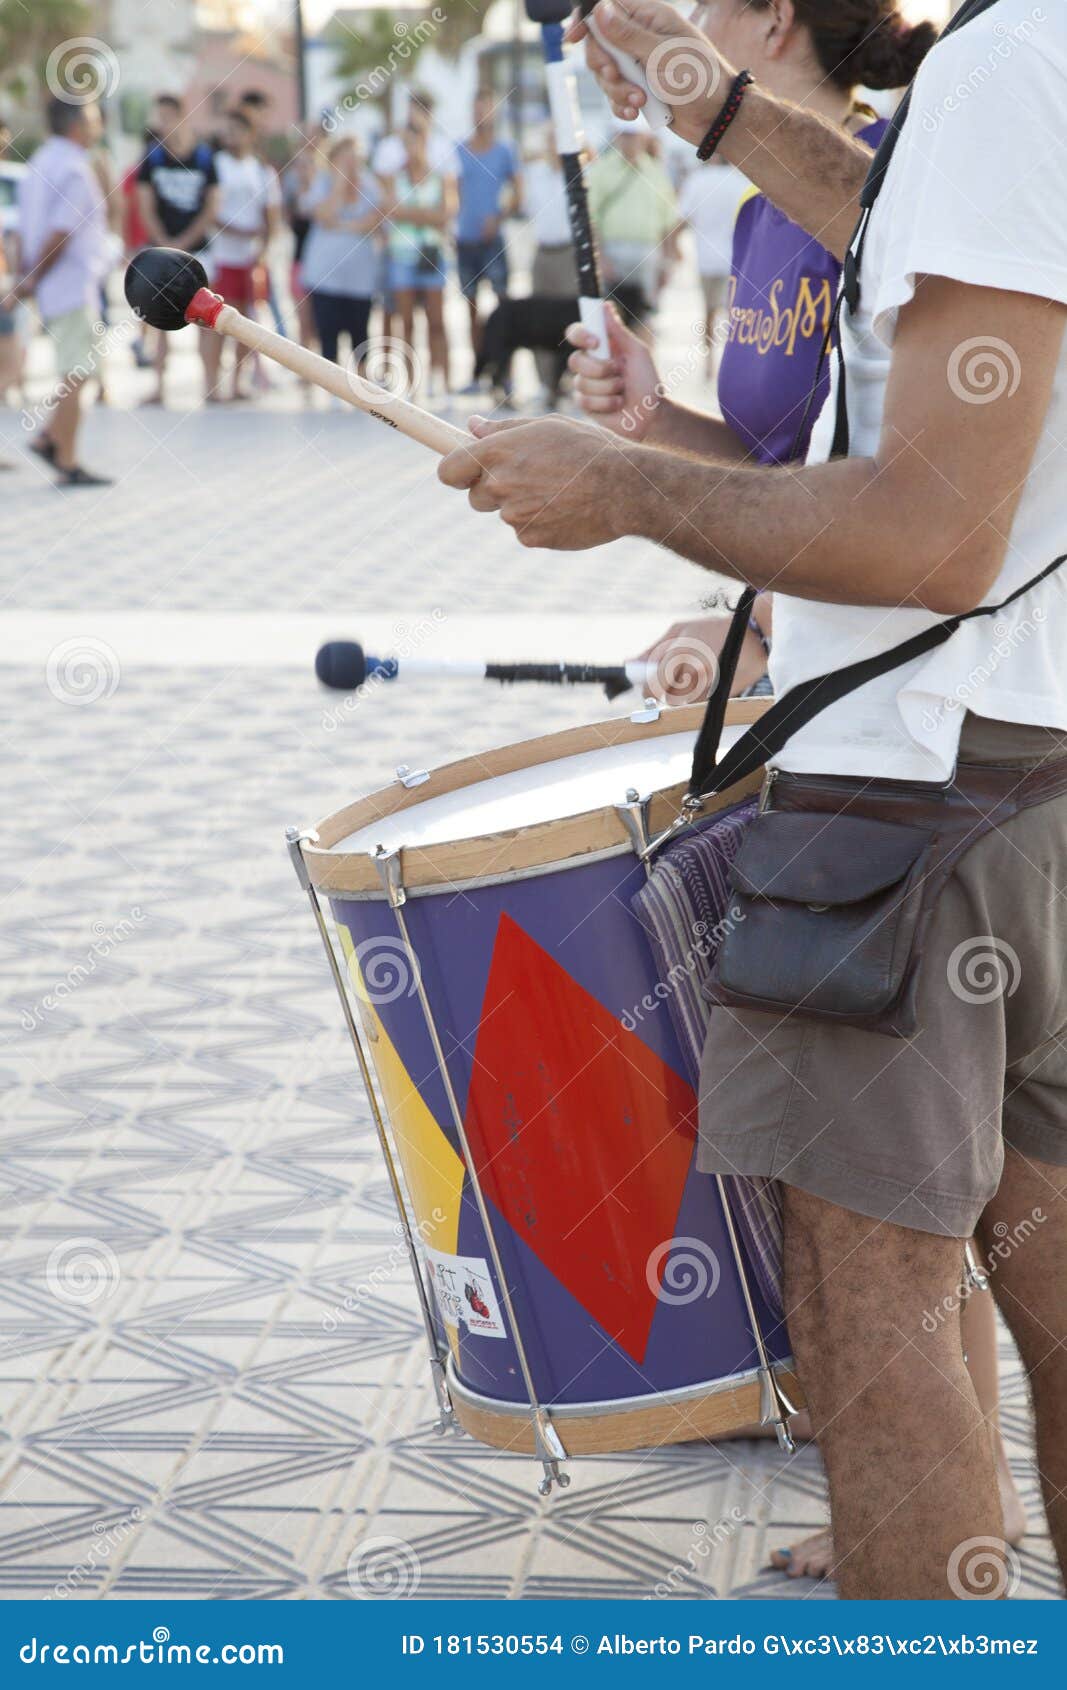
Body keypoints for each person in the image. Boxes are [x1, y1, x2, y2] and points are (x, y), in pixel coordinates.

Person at [437, 0, 1067, 1602]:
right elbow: (930, 218)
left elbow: (933, 535)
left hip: (923, 784)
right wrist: (714, 107)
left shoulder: (1011, 55)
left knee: (879, 1324)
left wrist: (624, 487)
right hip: (1032, 764)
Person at [7, 98, 111, 485]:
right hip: (70, 286)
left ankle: (51, 438)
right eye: (95, 117)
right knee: (78, 371)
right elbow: (60, 234)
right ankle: (63, 455)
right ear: (78, 124)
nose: (99, 124)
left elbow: (24, 231)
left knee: (78, 369)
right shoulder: (73, 169)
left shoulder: (39, 163)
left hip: (56, 286)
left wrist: (27, 277)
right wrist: (30, 279)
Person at [136, 94, 219, 404]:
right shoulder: (153, 157)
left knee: (207, 320)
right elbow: (145, 205)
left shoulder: (204, 157)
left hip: (198, 249)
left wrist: (185, 242)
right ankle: (159, 386)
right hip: (162, 249)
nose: (163, 124)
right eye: (159, 117)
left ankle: (211, 384)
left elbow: (212, 206)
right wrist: (165, 242)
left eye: (168, 117)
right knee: (160, 318)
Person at [205, 108, 281, 401]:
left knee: (245, 322)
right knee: (216, 321)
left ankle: (237, 381)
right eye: (228, 130)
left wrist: (262, 248)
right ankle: (212, 383)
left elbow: (271, 216)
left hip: (249, 258)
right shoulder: (216, 165)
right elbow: (210, 211)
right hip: (221, 255)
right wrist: (238, 232)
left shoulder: (261, 171)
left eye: (237, 130)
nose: (231, 136)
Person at [586, 121, 678, 335]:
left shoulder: (656, 172)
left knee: (644, 320)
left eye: (635, 135)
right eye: (626, 135)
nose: (630, 140)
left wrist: (667, 262)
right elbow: (591, 218)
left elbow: (668, 222)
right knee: (609, 319)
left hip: (647, 254)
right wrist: (600, 258)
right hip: (613, 252)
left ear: (644, 138)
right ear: (618, 136)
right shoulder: (602, 170)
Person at [300, 137, 384, 372]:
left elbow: (374, 222)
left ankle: (363, 386)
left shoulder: (371, 186)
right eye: (346, 158)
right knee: (328, 333)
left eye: (355, 157)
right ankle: (333, 391)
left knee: (361, 335)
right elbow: (324, 215)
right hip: (325, 277)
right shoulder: (322, 183)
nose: (352, 163)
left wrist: (342, 226)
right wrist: (339, 184)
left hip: (360, 279)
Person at [455, 92, 522, 381]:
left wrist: (499, 217)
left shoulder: (506, 150)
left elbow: (519, 193)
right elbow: (451, 190)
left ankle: (505, 374)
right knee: (471, 309)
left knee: (504, 307)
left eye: (486, 111)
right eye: (477, 111)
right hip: (464, 239)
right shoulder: (459, 150)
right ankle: (478, 372)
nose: (481, 117)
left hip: (493, 240)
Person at [385, 123, 455, 397]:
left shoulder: (440, 177)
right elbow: (392, 211)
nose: (411, 149)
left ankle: (444, 382)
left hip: (432, 255)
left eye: (416, 142)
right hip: (402, 255)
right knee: (407, 322)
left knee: (436, 321)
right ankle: (413, 385)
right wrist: (427, 215)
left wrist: (410, 213)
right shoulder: (395, 177)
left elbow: (446, 213)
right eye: (407, 143)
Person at [674, 154, 748, 374]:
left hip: (705, 259)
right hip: (735, 259)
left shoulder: (697, 180)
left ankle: (708, 364)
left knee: (707, 312)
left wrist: (673, 249)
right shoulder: (740, 182)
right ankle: (732, 361)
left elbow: (681, 219)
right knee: (734, 313)